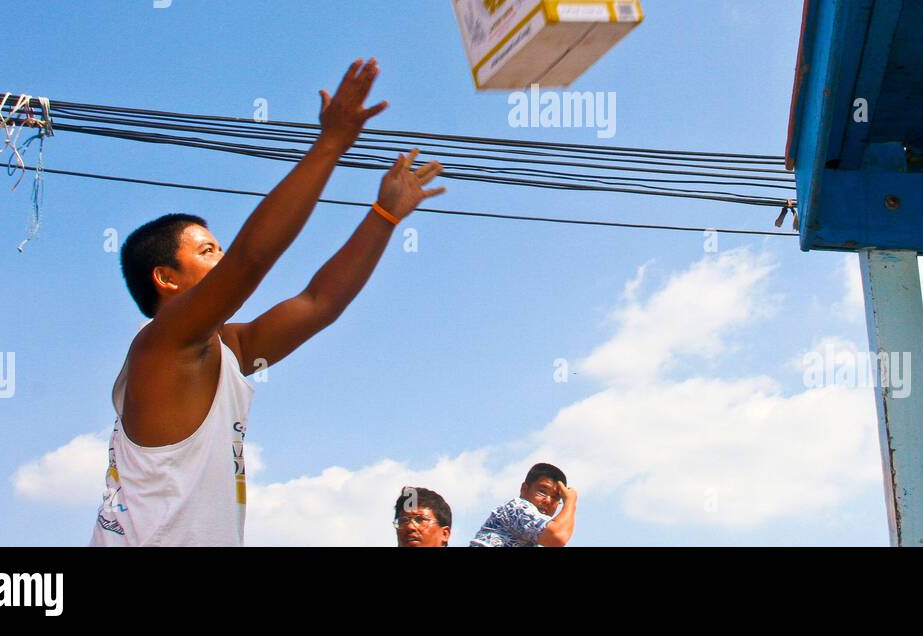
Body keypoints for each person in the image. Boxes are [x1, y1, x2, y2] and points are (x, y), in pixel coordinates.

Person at [90, 59, 445, 546]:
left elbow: (318, 302)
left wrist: (383, 216)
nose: (222, 257)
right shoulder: (162, 346)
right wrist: (331, 144)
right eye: (207, 251)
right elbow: (250, 261)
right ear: (166, 279)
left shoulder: (228, 352)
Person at [469, 463, 577, 547]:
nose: (548, 500)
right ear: (524, 489)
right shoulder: (518, 508)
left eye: (555, 497)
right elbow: (558, 536)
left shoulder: (537, 534)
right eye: (542, 492)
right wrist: (570, 501)